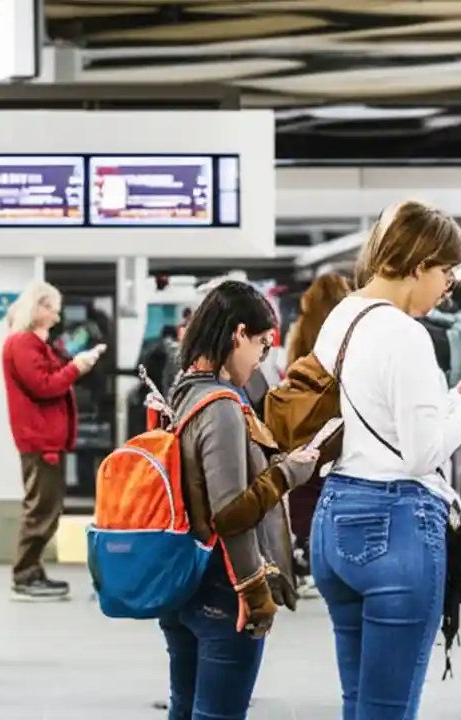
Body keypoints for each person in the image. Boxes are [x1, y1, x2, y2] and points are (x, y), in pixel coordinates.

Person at [310, 200, 461, 719]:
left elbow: (376, 420)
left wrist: (452, 397)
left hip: (334, 516)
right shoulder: (406, 334)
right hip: (395, 526)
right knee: (390, 709)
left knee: (358, 701)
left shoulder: (342, 318)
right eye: (446, 272)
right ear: (420, 264)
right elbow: (423, 453)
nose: (448, 286)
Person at [161, 280, 318, 720]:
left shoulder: (182, 391)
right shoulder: (223, 405)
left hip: (183, 580)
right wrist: (289, 473)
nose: (260, 359)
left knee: (186, 706)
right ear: (238, 334)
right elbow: (229, 511)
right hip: (225, 586)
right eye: (261, 345)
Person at [2, 281, 103, 600]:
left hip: (46, 439)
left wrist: (75, 363)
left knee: (47, 507)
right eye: (53, 309)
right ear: (38, 307)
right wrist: (77, 367)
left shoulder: (32, 343)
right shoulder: (22, 343)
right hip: (40, 440)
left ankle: (32, 570)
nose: (57, 317)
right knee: (41, 508)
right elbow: (44, 385)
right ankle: (25, 574)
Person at [281, 272, 351, 597]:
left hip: (306, 419)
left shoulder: (301, 330)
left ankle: (303, 556)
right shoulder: (352, 329)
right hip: (342, 417)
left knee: (304, 485)